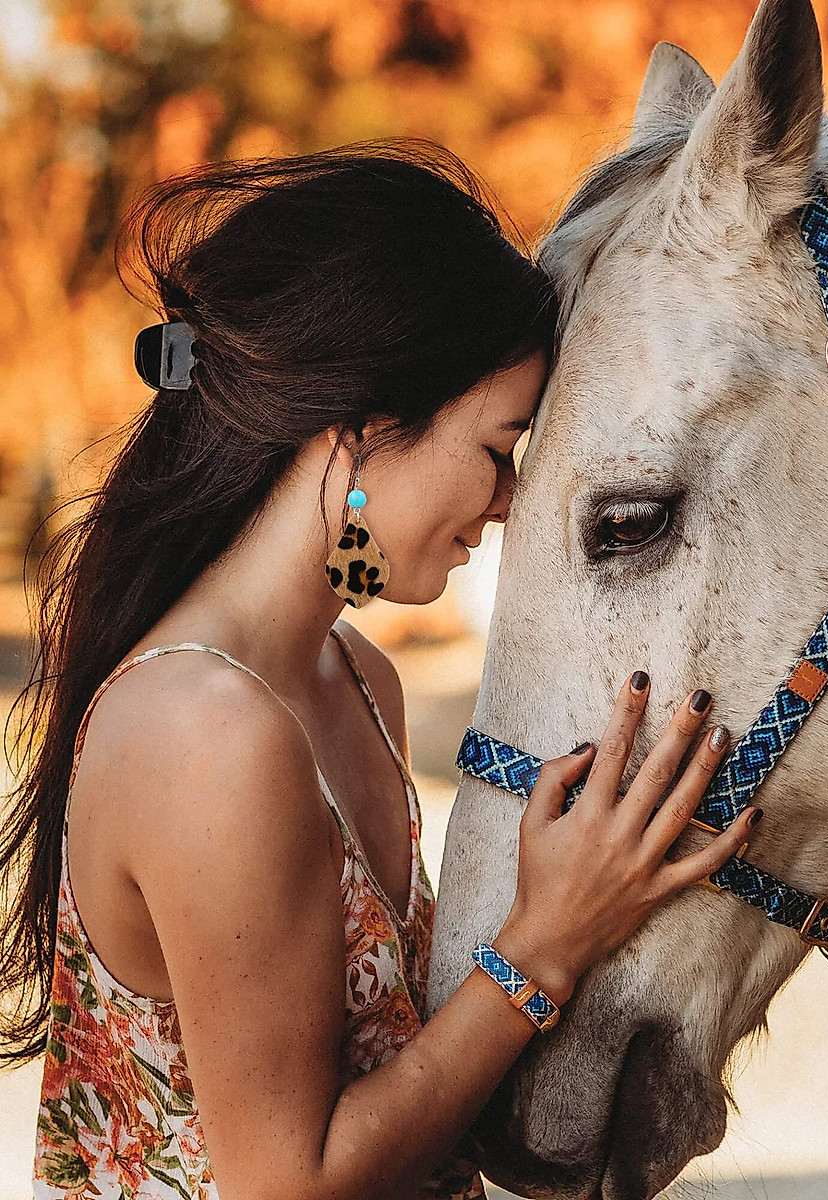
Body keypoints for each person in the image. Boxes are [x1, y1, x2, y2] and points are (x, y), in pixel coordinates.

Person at [0, 141, 762, 1200]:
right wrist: (543, 945)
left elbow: (393, 1061)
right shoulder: (205, 729)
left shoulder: (355, 675)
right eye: (499, 448)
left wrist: (572, 895)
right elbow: (289, 1180)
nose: (504, 505)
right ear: (359, 430)